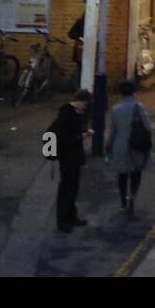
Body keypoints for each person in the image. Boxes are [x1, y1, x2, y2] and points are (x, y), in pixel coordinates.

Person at [105, 80, 152, 213]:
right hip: (136, 145)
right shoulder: (139, 107)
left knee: (122, 175)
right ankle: (132, 197)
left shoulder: (115, 110)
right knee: (136, 173)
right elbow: (147, 127)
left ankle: (123, 201)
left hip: (120, 145)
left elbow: (112, 131)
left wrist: (108, 147)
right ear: (134, 92)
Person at [51, 89, 91, 232]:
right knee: (66, 190)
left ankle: (70, 216)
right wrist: (82, 136)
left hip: (73, 159)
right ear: (79, 101)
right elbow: (66, 139)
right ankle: (63, 220)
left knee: (72, 188)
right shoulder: (67, 114)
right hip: (67, 159)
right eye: (85, 105)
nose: (85, 108)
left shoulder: (72, 113)